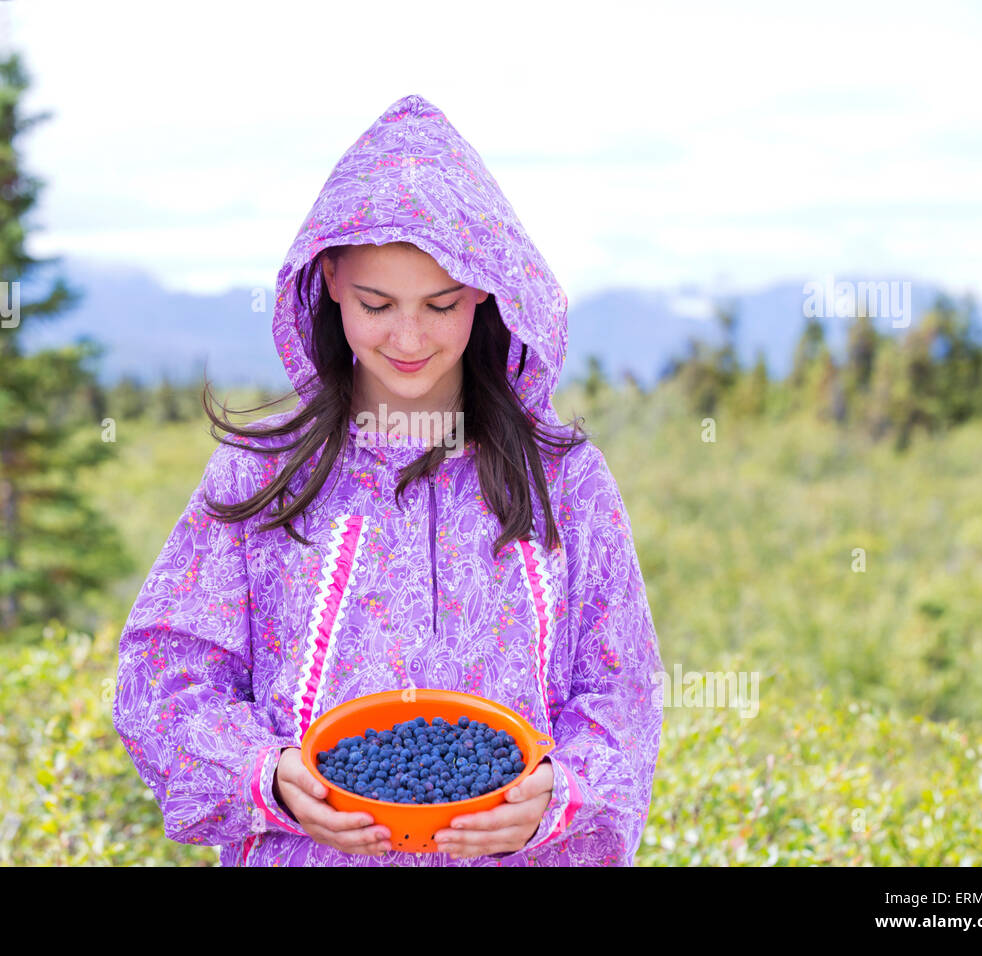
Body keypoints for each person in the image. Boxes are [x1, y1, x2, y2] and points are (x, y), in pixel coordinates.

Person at [112, 93, 664, 866]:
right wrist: (265, 774)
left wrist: (559, 795)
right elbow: (162, 678)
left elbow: (624, 693)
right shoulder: (263, 473)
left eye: (441, 305)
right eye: (377, 303)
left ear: (487, 291)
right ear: (330, 279)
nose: (409, 338)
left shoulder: (566, 482)